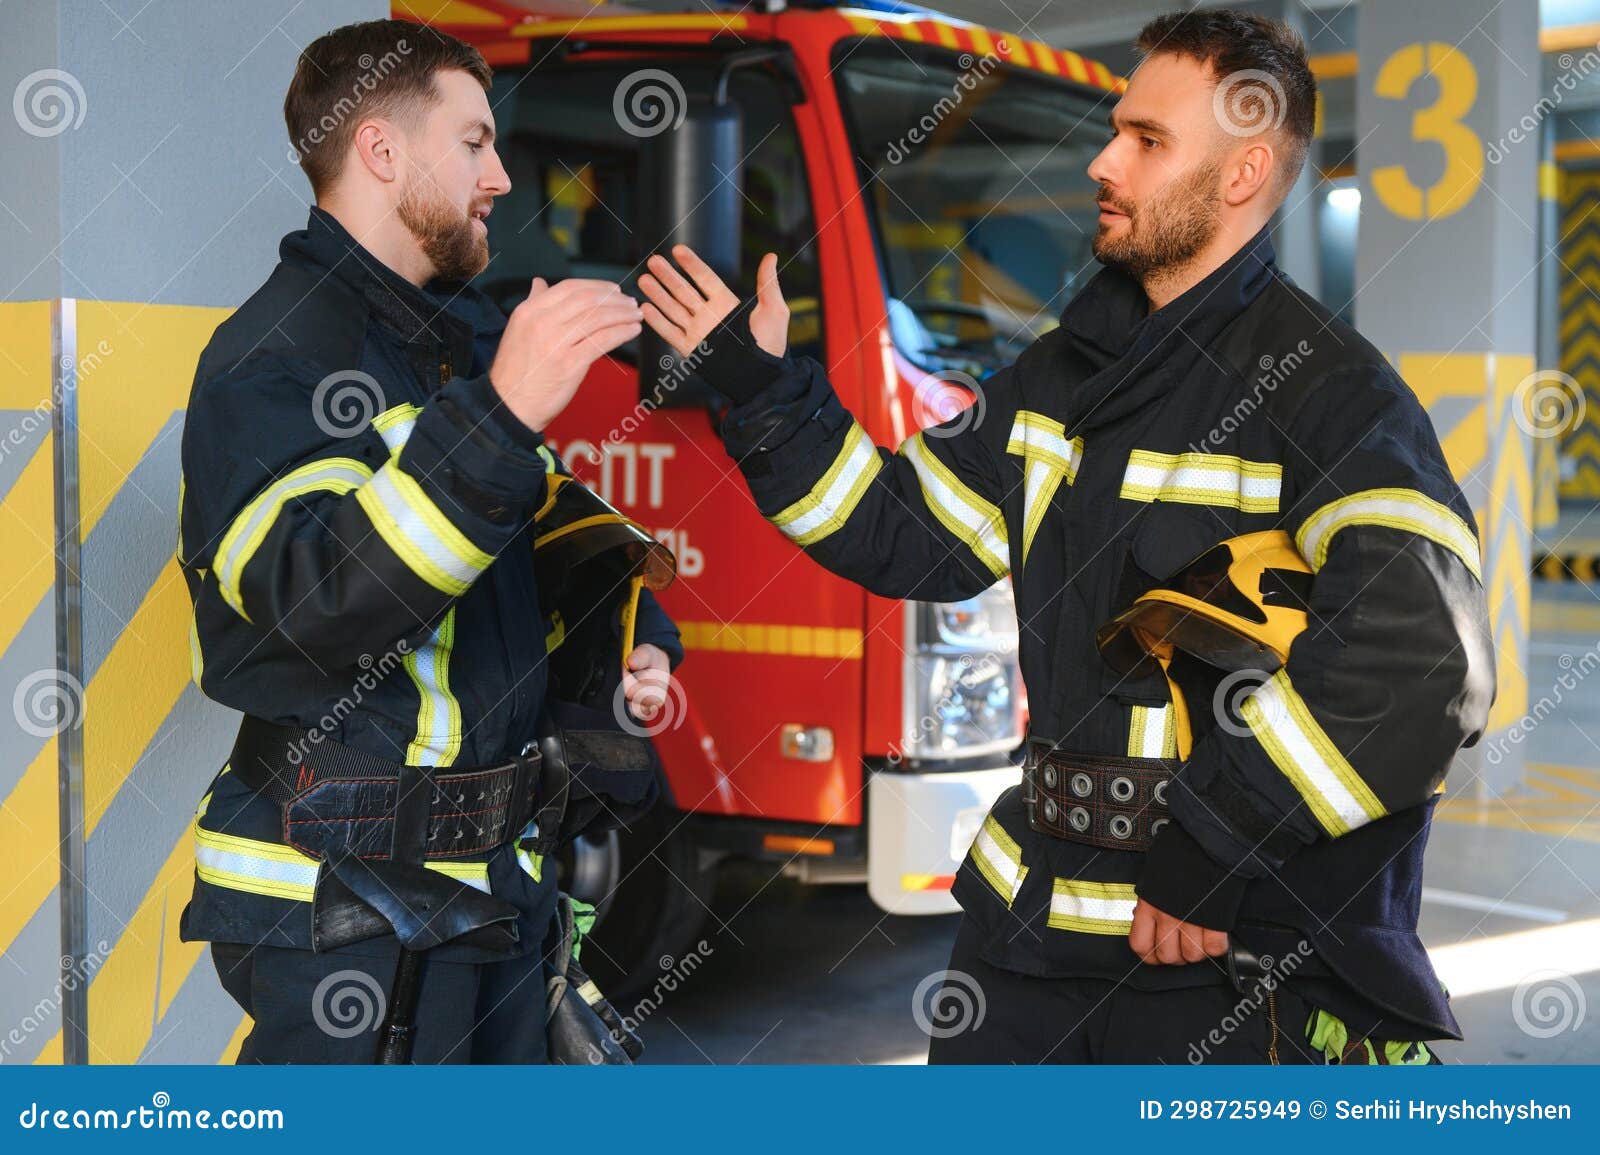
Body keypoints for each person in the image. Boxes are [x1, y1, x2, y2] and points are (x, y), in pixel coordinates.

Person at [638, 9, 1493, 1064]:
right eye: (1114, 130)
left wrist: (1218, 854)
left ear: (1240, 176)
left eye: (1145, 140)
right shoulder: (1059, 376)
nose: (1102, 160)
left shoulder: (1332, 395)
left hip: (1209, 967)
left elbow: (1421, 661)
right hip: (1023, 953)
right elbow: (901, 536)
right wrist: (758, 392)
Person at [176, 19, 679, 1063]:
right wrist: (502, 417)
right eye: (475, 142)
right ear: (381, 150)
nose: (500, 174)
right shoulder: (275, 359)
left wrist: (637, 644)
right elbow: (321, 605)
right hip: (349, 912)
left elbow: (536, 542)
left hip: (484, 894)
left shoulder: (437, 346)